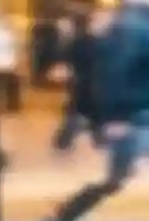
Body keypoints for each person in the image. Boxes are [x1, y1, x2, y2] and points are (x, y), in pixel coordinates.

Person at [41, 0, 149, 221]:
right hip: (135, 117)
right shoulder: (133, 26)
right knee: (116, 180)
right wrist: (116, 117)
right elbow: (112, 74)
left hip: (146, 116)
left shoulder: (145, 24)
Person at [51, 7, 111, 152]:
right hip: (84, 85)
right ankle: (63, 141)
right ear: (93, 22)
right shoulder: (81, 41)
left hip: (100, 85)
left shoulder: (109, 42)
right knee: (78, 115)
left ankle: (100, 138)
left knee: (97, 114)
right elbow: (67, 59)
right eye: (103, 21)